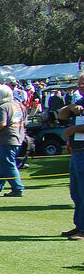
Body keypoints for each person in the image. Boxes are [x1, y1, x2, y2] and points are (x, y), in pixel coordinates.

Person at [57, 72, 84, 240]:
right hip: (76, 152)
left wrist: (73, 130)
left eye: (83, 84)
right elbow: (61, 115)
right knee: (76, 193)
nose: (80, 87)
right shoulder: (80, 102)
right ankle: (79, 225)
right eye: (79, 84)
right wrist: (70, 107)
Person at [0, 84, 25, 196]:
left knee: (8, 164)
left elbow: (1, 124)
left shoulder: (3, 108)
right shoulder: (19, 105)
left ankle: (18, 188)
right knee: (4, 164)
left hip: (6, 139)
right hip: (18, 137)